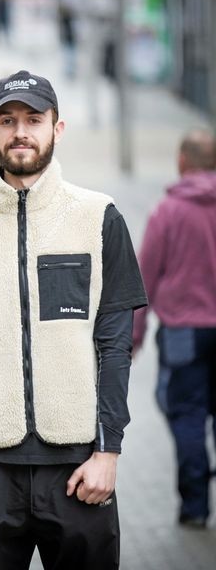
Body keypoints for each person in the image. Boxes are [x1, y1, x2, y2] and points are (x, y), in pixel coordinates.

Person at [0, 69, 147, 569]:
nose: (20, 132)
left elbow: (114, 346)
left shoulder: (99, 217)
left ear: (57, 128)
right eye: (8, 120)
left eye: (33, 119)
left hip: (79, 467)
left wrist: (108, 452)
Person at [132, 128, 216, 529]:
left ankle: (195, 507)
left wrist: (133, 336)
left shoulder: (167, 211)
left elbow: (143, 280)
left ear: (182, 161)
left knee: (187, 416)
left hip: (183, 332)